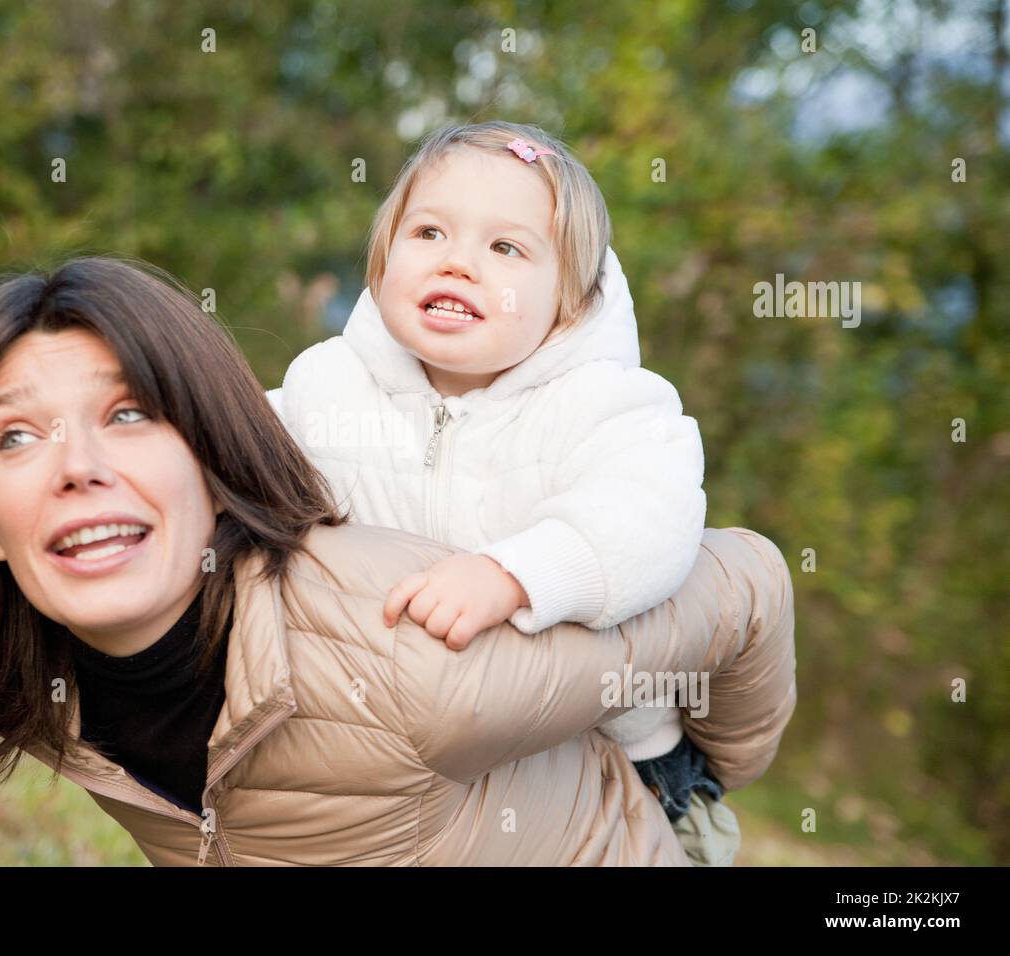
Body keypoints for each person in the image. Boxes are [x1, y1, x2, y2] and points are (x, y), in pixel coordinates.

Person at [0, 256, 796, 866]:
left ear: (214, 461)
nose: (77, 466)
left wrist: (699, 778)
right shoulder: (45, 693)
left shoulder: (410, 658)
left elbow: (748, 580)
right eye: (17, 435)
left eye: (129, 414)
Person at [267, 121, 730, 859]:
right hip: (419, 736)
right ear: (383, 260)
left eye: (505, 248)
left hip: (611, 745)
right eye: (428, 233)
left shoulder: (606, 404)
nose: (458, 263)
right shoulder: (327, 384)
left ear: (570, 304)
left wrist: (514, 575)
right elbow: (240, 449)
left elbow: (651, 513)